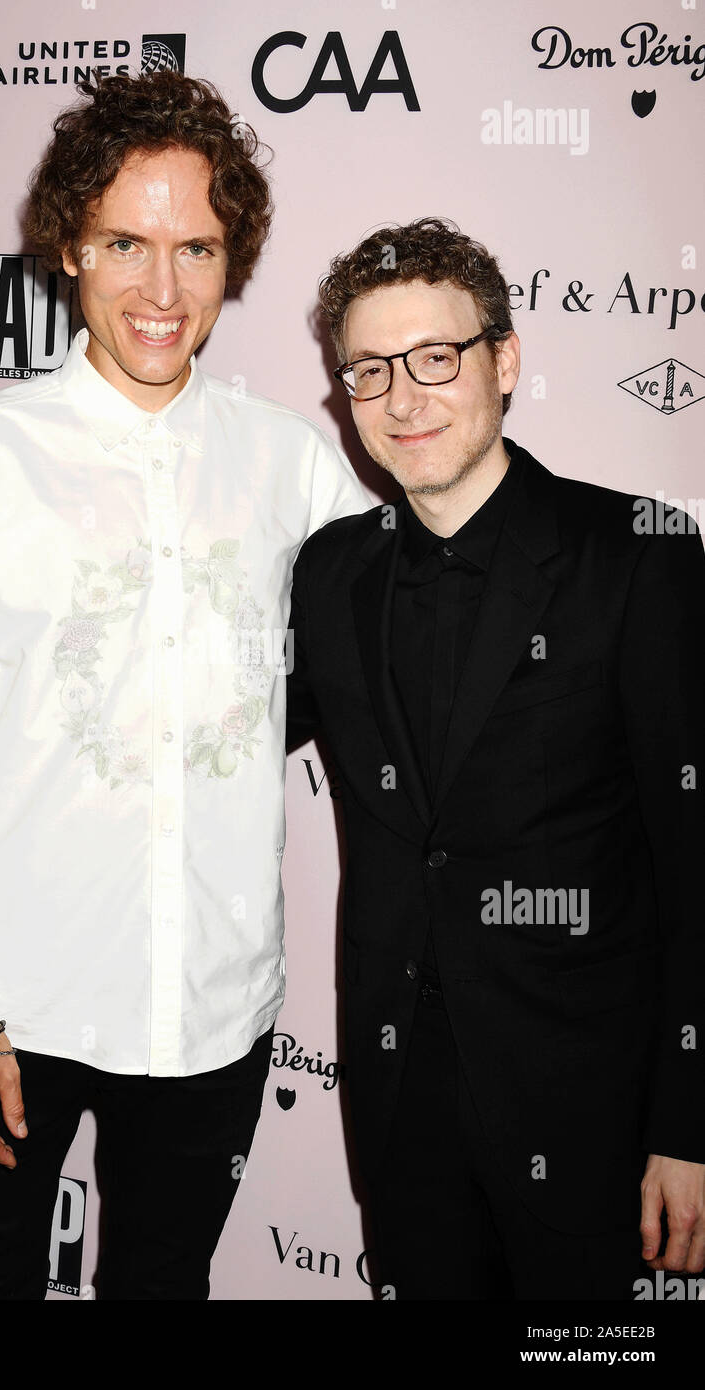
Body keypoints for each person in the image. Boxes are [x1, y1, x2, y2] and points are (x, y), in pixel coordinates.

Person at [0, 70, 368, 1301]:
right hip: (15, 1010)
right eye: (128, 242)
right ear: (72, 243)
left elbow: (410, 623)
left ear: (233, 259)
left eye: (198, 247)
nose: (164, 290)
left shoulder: (290, 463)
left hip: (216, 1016)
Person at [286, 216, 705, 1299]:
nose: (405, 399)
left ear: (505, 360)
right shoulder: (329, 574)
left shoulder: (638, 555)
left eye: (437, 357)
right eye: (370, 370)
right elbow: (214, 738)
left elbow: (697, 861)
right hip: (401, 1105)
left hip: (590, 1110)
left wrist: (690, 1124)